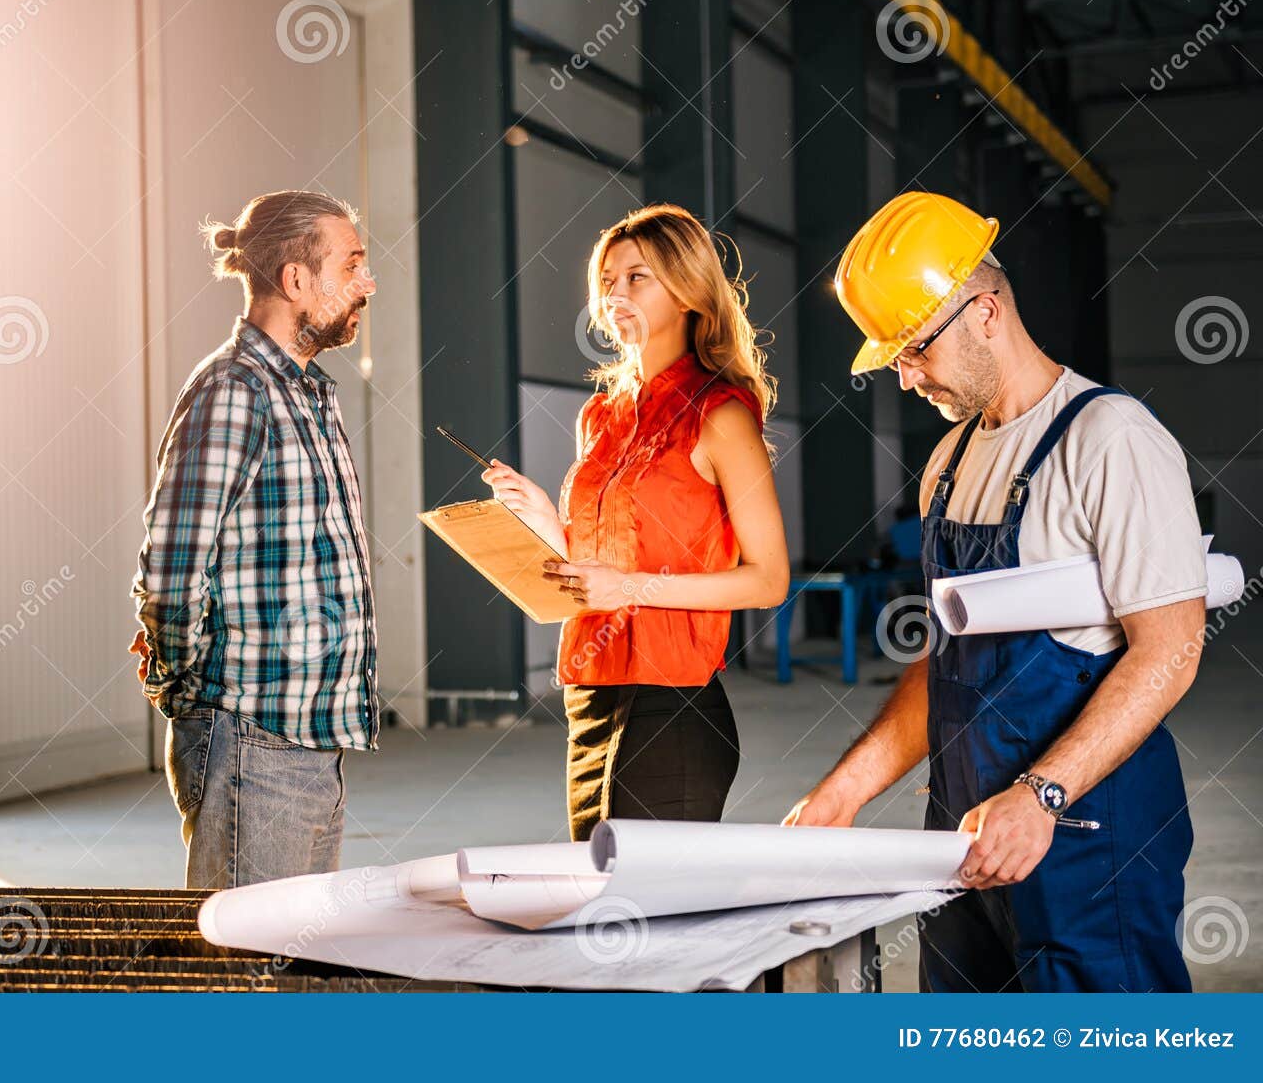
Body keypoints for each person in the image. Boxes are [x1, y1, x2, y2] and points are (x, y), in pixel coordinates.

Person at [785, 191, 1208, 992]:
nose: (906, 379)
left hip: (1088, 835)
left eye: (914, 351)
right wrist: (842, 794)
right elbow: (948, 662)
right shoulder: (947, 465)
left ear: (984, 312)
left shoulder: (1108, 439)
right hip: (965, 837)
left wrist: (1041, 795)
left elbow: (1171, 651)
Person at [484, 203, 789, 842]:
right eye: (607, 282)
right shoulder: (601, 418)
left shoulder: (722, 414)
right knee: (598, 906)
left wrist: (632, 590)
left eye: (636, 278)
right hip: (591, 698)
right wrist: (544, 519)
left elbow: (767, 581)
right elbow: (603, 566)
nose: (613, 295)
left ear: (688, 292)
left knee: (646, 924)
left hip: (672, 704)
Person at [129, 189, 378, 889]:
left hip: (308, 742)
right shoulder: (235, 390)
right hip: (253, 741)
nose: (368, 283)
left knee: (289, 967)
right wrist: (181, 685)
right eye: (352, 265)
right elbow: (174, 565)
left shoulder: (310, 394)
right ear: (297, 281)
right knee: (245, 972)